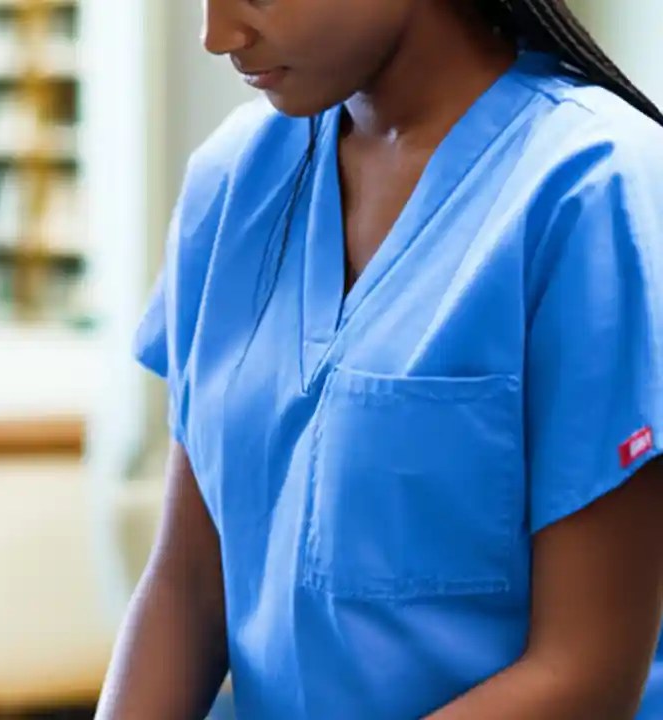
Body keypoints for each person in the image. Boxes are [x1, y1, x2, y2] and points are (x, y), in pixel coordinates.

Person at [98, 1, 663, 718]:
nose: (219, 36)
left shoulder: (593, 185)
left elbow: (587, 673)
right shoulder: (234, 182)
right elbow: (188, 588)